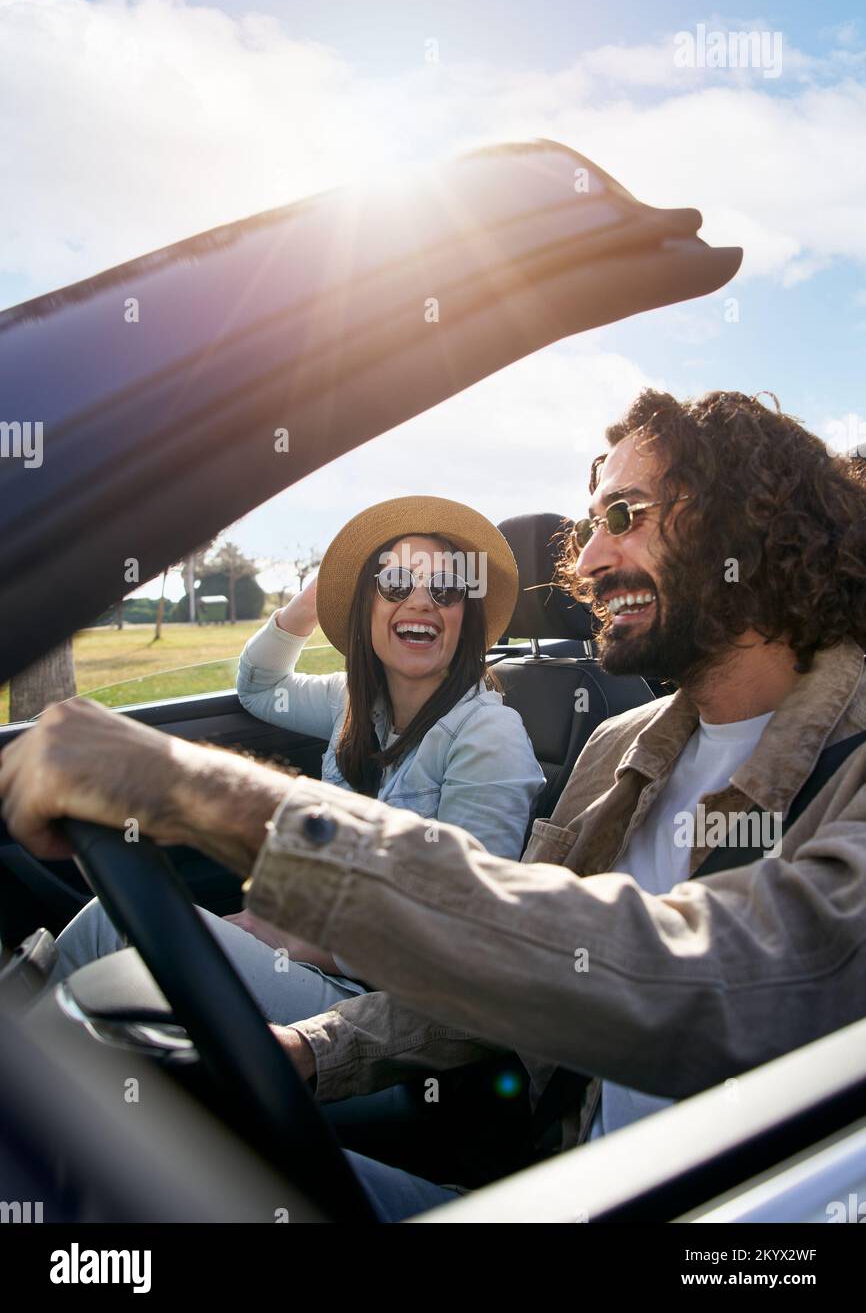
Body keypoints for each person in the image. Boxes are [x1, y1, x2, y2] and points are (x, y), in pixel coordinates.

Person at [3, 390, 865, 1223]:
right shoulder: (621, 748)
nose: (589, 561)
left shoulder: (849, 766)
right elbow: (520, 966)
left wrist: (206, 796)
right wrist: (316, 1049)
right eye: (590, 523)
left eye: (624, 515)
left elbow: (715, 977)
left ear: (750, 524)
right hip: (552, 1176)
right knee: (141, 1150)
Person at [44, 496, 545, 1025]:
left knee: (112, 923)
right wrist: (322, 591)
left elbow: (461, 927)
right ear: (365, 607)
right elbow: (260, 685)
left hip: (375, 1009)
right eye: (395, 584)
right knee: (113, 924)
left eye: (445, 589)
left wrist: (292, 940)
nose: (421, 601)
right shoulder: (351, 702)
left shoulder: (488, 733)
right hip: (309, 955)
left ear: (464, 618)